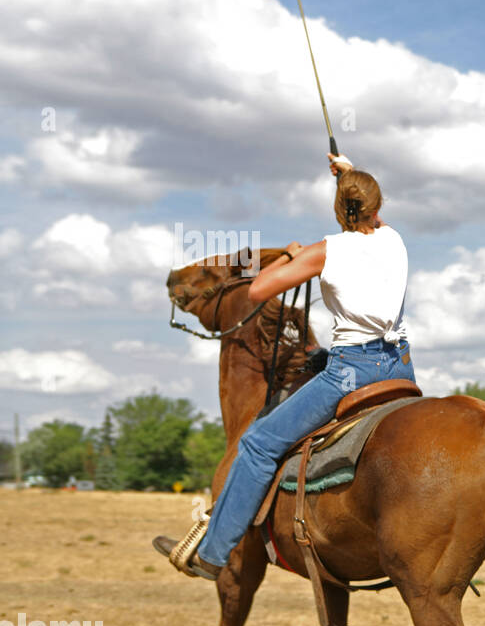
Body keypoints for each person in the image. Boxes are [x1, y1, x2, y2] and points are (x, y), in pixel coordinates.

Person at [155, 154, 416, 579]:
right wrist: (348, 172)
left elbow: (258, 290)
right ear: (377, 207)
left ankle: (213, 554)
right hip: (400, 369)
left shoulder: (324, 252)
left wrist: (290, 257)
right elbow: (371, 218)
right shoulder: (394, 240)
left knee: (257, 443)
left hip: (351, 371)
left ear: (338, 210)